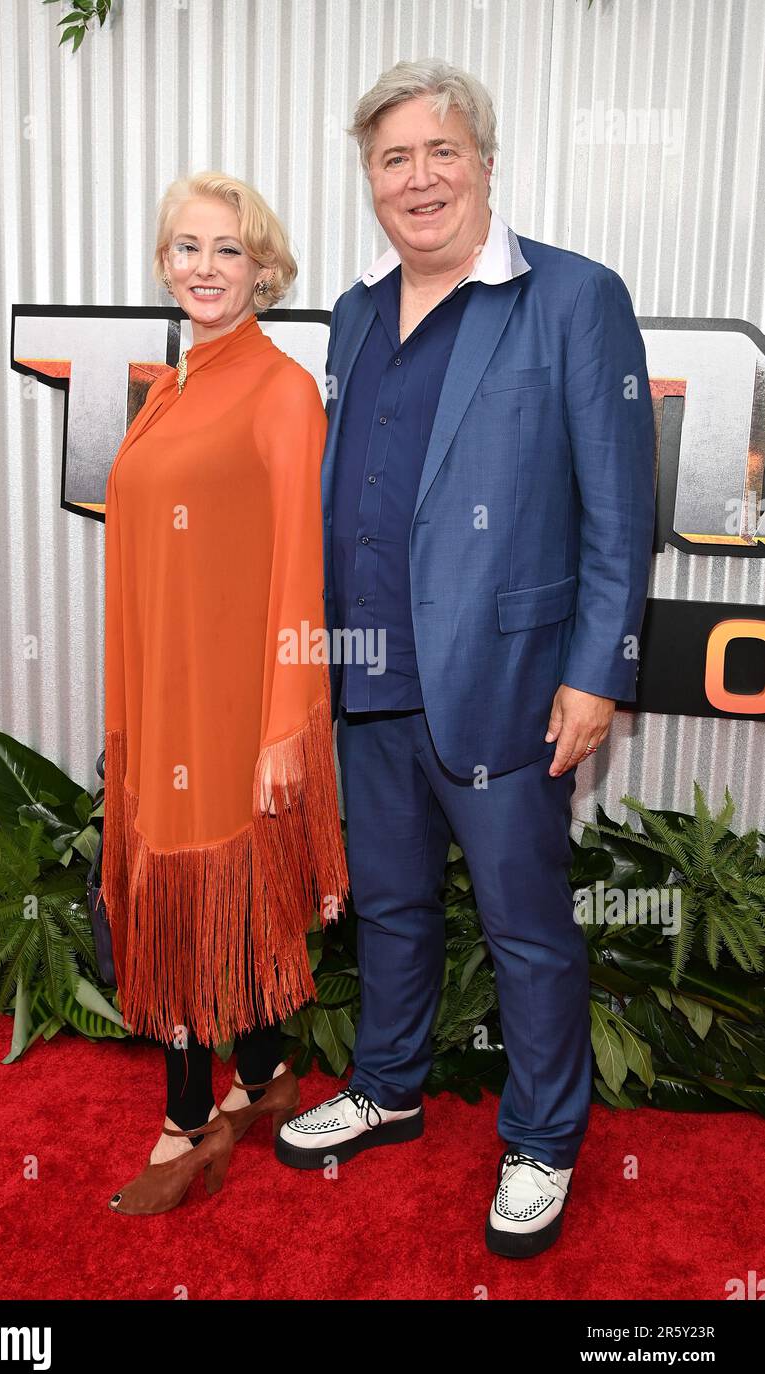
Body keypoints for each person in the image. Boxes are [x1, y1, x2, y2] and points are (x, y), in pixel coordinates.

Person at [276, 60, 656, 1259]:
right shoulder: (350, 311)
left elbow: (620, 505)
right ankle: (387, 1085)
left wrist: (595, 671)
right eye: (394, 159)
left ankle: (541, 1139)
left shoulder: (572, 298)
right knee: (388, 905)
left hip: (505, 685)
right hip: (369, 677)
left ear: (486, 164)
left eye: (442, 152)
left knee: (524, 923)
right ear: (370, 180)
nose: (420, 178)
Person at [100, 172, 348, 1215]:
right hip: (165, 690)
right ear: (165, 262)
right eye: (187, 247)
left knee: (198, 897)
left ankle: (188, 1116)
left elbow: (302, 563)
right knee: (204, 889)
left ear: (265, 269)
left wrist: (283, 722)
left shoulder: (281, 389)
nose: (205, 267)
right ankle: (263, 1071)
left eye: (228, 250)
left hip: (237, 698)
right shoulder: (173, 388)